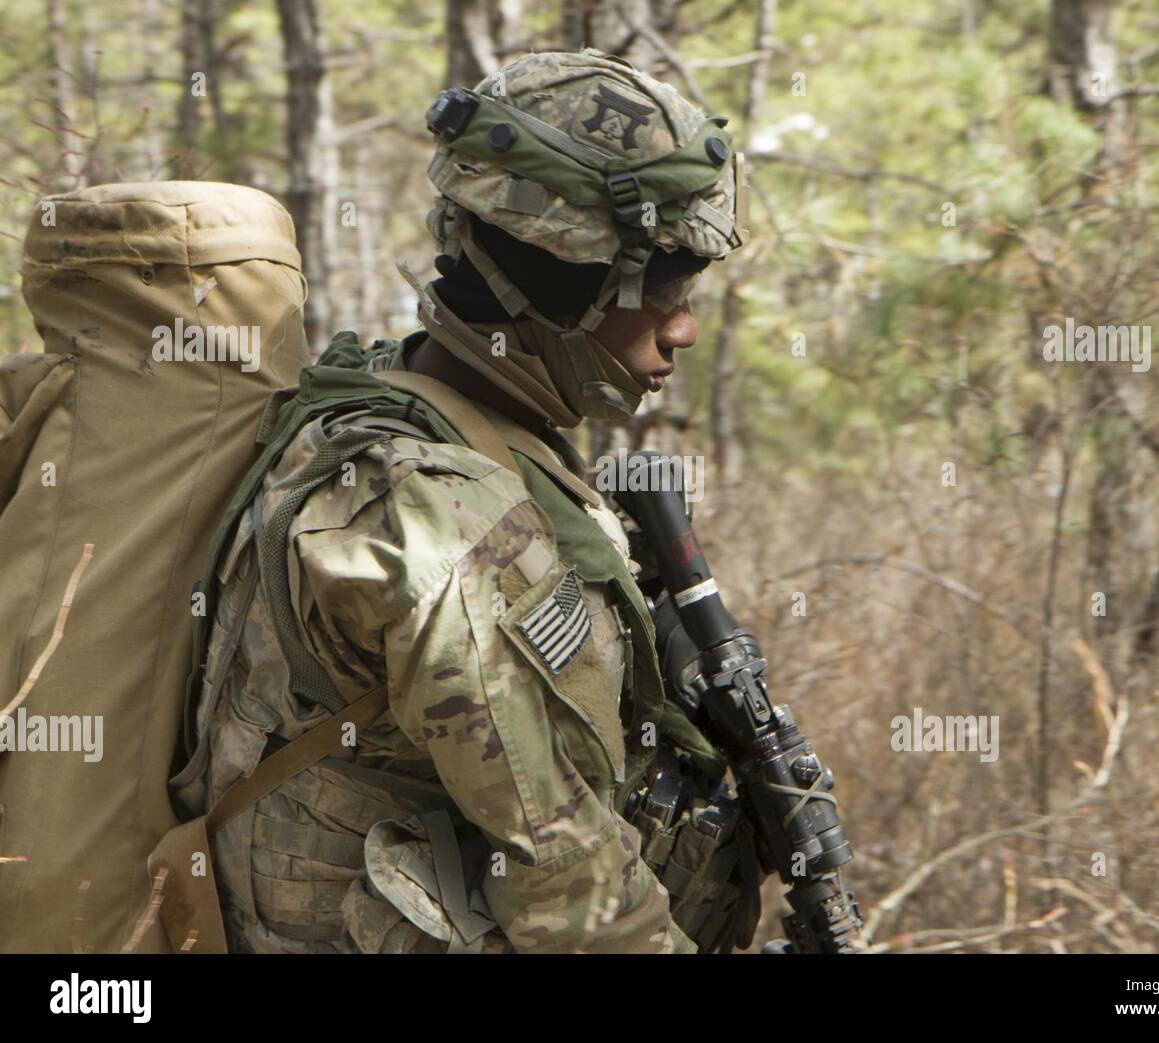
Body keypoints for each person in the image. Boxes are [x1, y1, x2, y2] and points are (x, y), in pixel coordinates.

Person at [175, 47, 757, 954]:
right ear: (565, 280)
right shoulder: (446, 524)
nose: (683, 326)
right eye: (666, 282)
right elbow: (576, 897)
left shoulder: (400, 396)